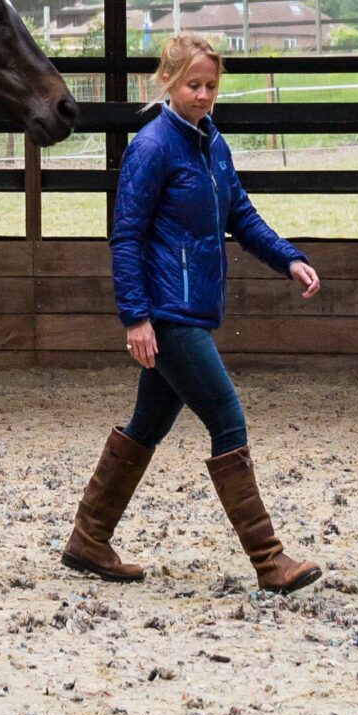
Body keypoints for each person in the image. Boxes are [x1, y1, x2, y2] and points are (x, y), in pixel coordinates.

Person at [62, 30, 322, 593]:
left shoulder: (214, 144)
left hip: (193, 310)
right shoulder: (151, 147)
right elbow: (125, 236)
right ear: (168, 82)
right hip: (168, 314)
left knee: (147, 425)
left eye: (210, 86)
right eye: (193, 85)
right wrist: (136, 316)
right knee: (227, 419)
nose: (203, 96)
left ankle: (88, 539)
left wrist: (289, 260)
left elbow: (243, 217)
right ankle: (269, 560)